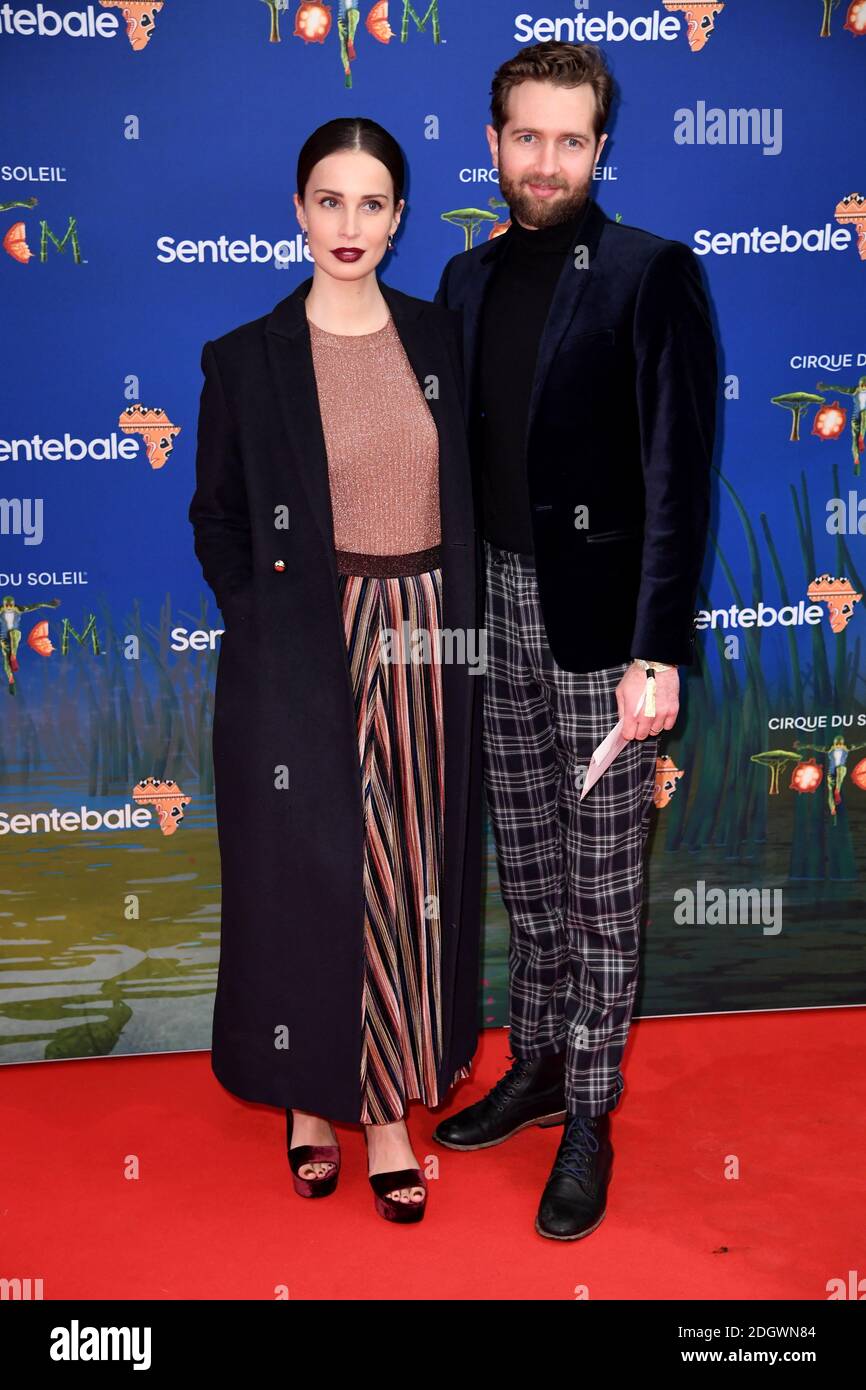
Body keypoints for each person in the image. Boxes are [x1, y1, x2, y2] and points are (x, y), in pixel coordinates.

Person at [433, 41, 717, 1240]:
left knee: (603, 892)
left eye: (569, 139)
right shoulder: (461, 280)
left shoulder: (653, 273)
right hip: (489, 613)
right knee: (532, 872)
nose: (543, 161)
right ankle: (539, 1064)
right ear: (492, 143)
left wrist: (657, 649)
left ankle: (590, 1114)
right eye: (524, 136)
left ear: (599, 149)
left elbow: (676, 475)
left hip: (604, 635)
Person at [188, 117, 484, 1225]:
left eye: (371, 203)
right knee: (308, 878)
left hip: (428, 637)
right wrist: (264, 618)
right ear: (297, 210)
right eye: (328, 200)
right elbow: (214, 515)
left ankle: (391, 1108)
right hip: (301, 645)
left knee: (410, 875)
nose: (349, 224)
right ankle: (313, 1098)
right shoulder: (243, 359)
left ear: (399, 217)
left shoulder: (439, 341)